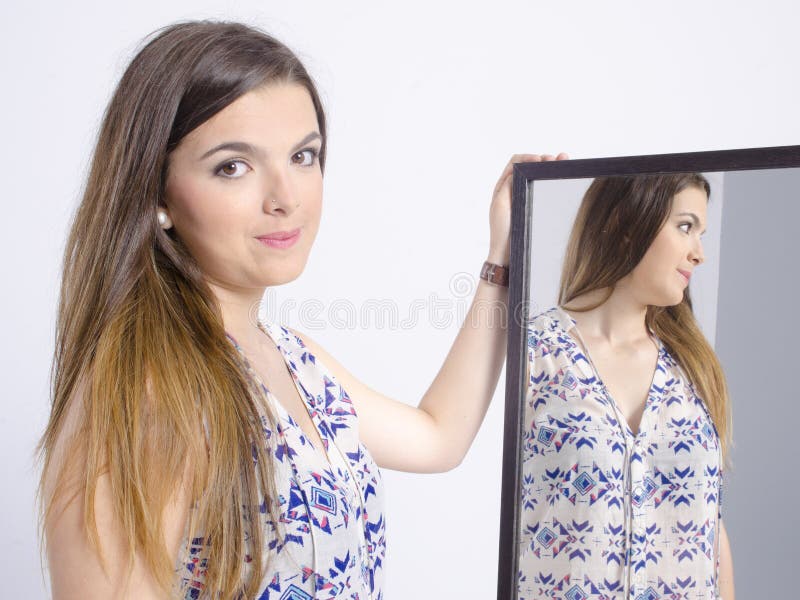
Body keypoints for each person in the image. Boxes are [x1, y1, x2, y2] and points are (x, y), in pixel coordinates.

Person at [36, 19, 566, 599]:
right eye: (232, 166)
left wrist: (501, 260)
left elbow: (438, 438)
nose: (285, 198)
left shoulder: (288, 357)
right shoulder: (145, 394)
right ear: (156, 195)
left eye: (303, 156)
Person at [519, 174, 735, 600]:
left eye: (702, 233)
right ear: (626, 222)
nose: (699, 253)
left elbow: (711, 526)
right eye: (685, 227)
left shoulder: (694, 367)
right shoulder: (534, 352)